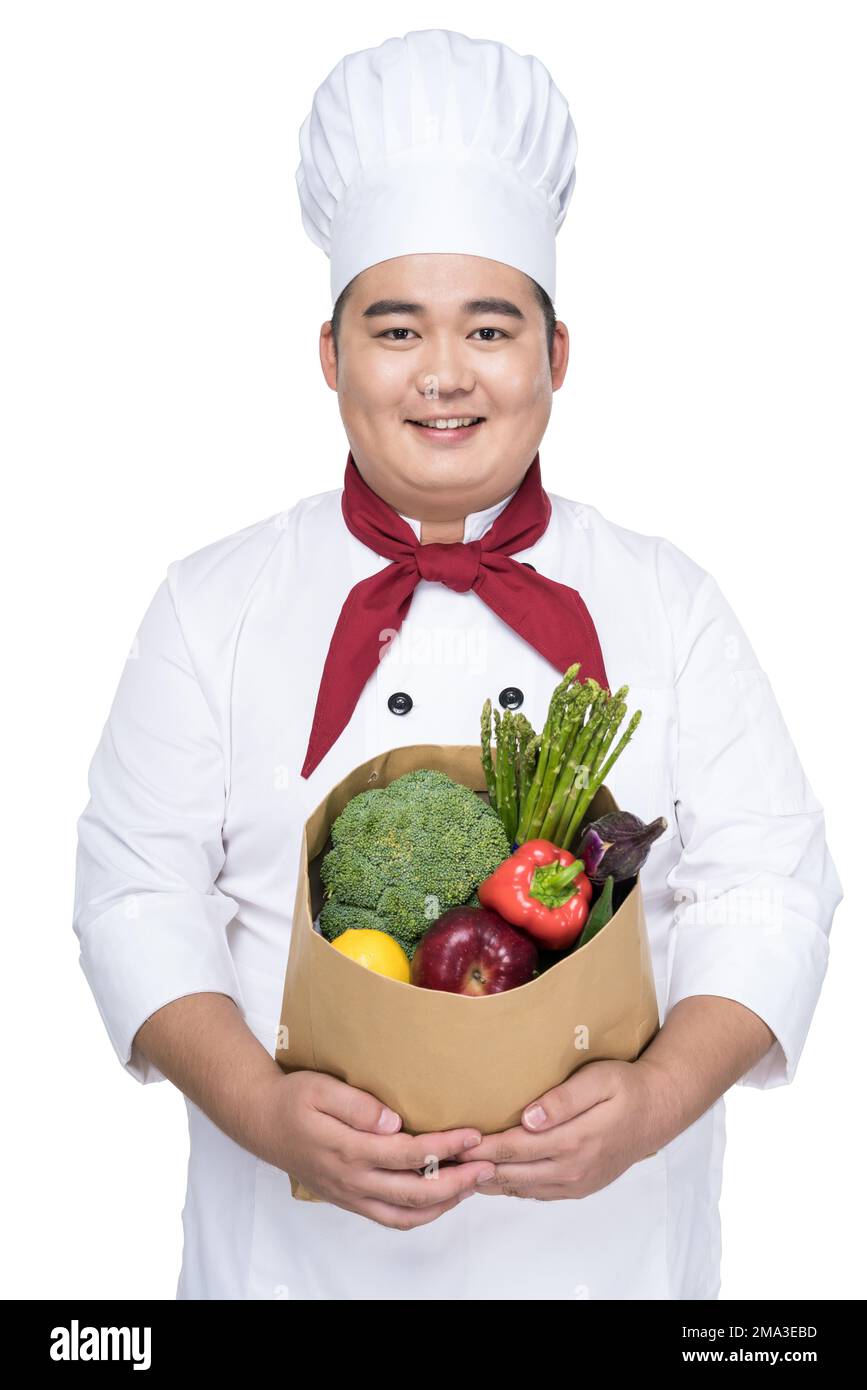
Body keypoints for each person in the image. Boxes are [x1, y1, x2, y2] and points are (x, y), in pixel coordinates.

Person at [72, 28, 843, 1300]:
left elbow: (774, 893)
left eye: (489, 329)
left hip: (604, 1270)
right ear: (330, 359)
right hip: (295, 1266)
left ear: (556, 356)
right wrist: (264, 1112)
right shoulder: (209, 606)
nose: (443, 375)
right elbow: (133, 900)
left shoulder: (669, 600)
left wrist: (654, 1100)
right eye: (395, 331)